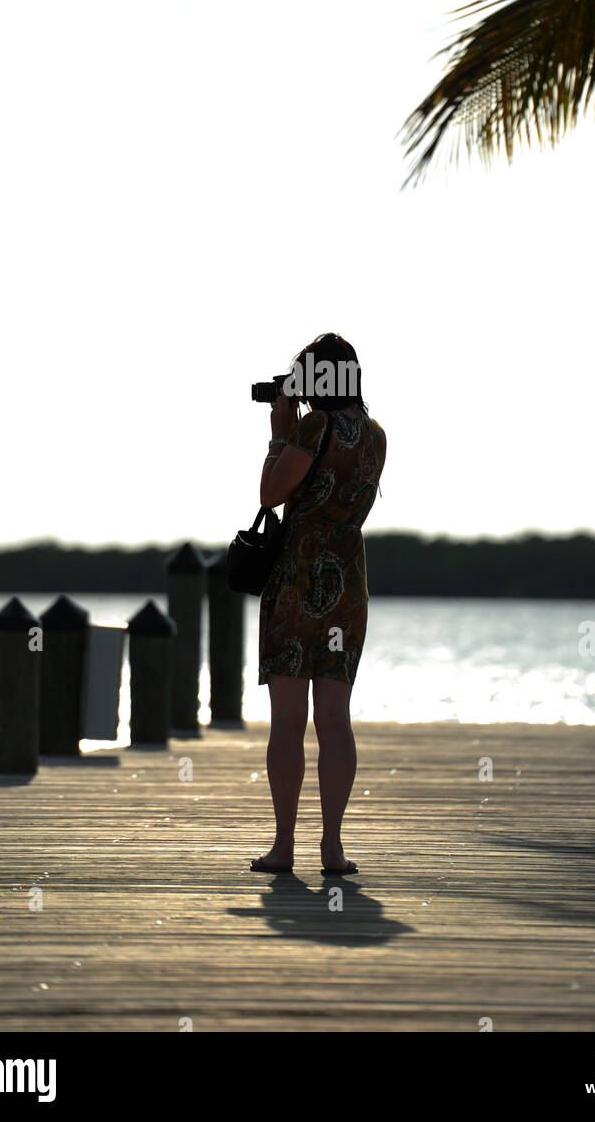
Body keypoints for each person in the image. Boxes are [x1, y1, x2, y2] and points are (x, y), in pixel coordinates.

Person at [250, 333, 387, 876]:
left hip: (297, 582)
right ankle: (332, 846)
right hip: (348, 583)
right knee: (334, 719)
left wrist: (278, 437)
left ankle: (285, 847)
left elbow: (270, 493)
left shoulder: (311, 427)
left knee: (288, 720)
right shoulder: (376, 436)